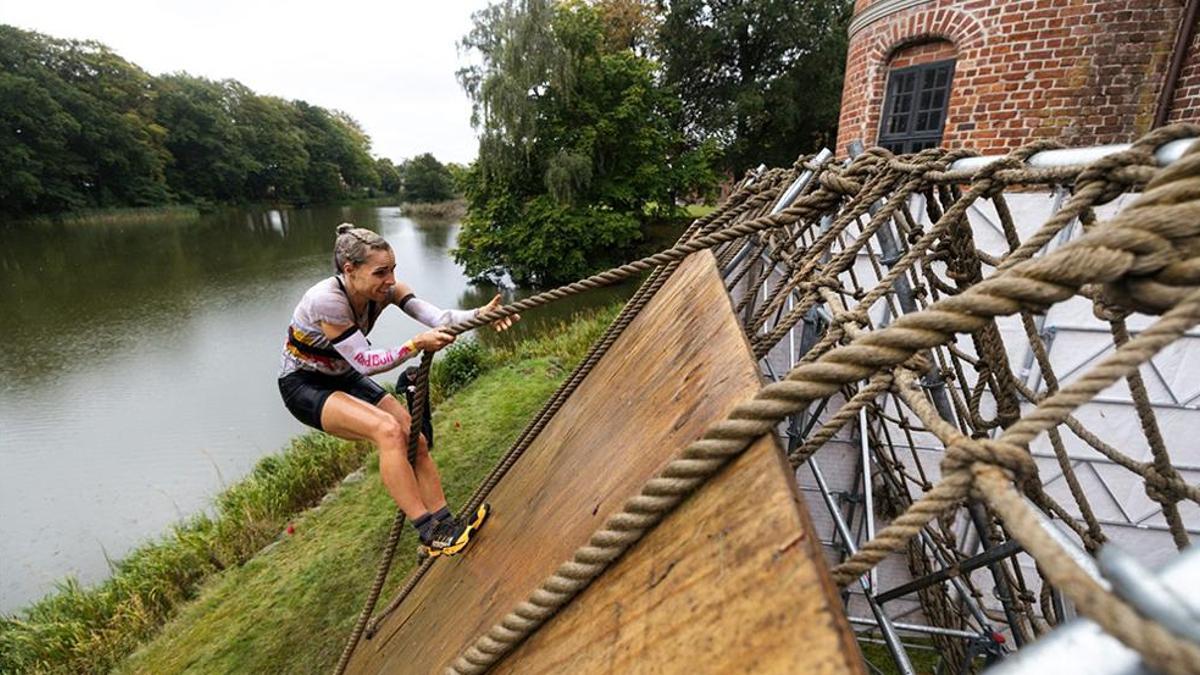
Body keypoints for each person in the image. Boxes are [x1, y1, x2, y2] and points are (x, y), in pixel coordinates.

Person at [277, 223, 518, 557]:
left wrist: (481, 315)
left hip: (343, 376)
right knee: (388, 431)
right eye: (380, 272)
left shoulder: (385, 290)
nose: (390, 280)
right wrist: (414, 344)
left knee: (414, 439)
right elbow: (365, 360)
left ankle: (446, 523)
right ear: (350, 270)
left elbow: (440, 317)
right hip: (305, 385)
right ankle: (429, 531)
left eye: (393, 269)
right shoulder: (326, 302)